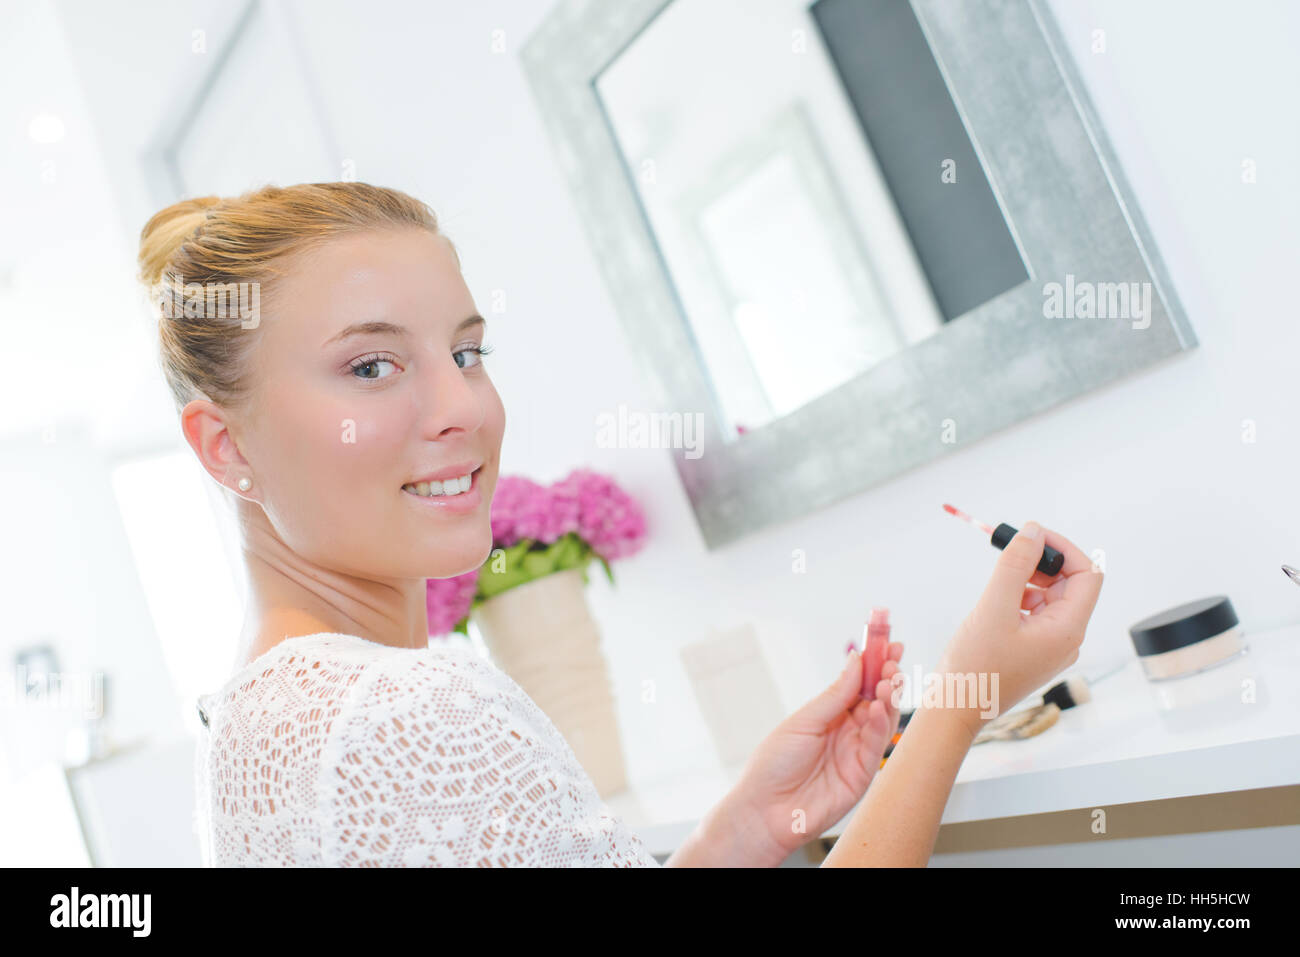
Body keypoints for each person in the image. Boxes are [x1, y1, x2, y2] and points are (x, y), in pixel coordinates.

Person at [138, 182, 1102, 867]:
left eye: (469, 352)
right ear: (226, 448)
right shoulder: (407, 710)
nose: (465, 408)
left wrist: (743, 830)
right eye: (372, 367)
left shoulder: (252, 722)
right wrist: (957, 708)